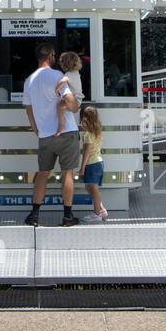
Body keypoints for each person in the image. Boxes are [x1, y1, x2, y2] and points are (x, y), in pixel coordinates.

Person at [22, 42, 80, 226]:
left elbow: (29, 110)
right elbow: (71, 102)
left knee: (42, 173)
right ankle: (67, 216)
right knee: (67, 173)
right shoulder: (58, 76)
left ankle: (34, 214)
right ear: (51, 56)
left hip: (45, 135)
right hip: (67, 133)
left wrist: (36, 129)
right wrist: (74, 106)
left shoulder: (29, 80)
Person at [78, 104, 108, 222]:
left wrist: (82, 168)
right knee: (89, 187)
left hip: (92, 164)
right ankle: (101, 209)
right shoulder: (97, 132)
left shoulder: (87, 135)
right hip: (99, 163)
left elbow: (86, 152)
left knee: (93, 189)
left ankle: (98, 213)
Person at [54, 51, 84, 134]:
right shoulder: (76, 72)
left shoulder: (68, 74)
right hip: (78, 99)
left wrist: (57, 89)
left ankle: (61, 125)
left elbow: (63, 81)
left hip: (75, 99)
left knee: (60, 106)